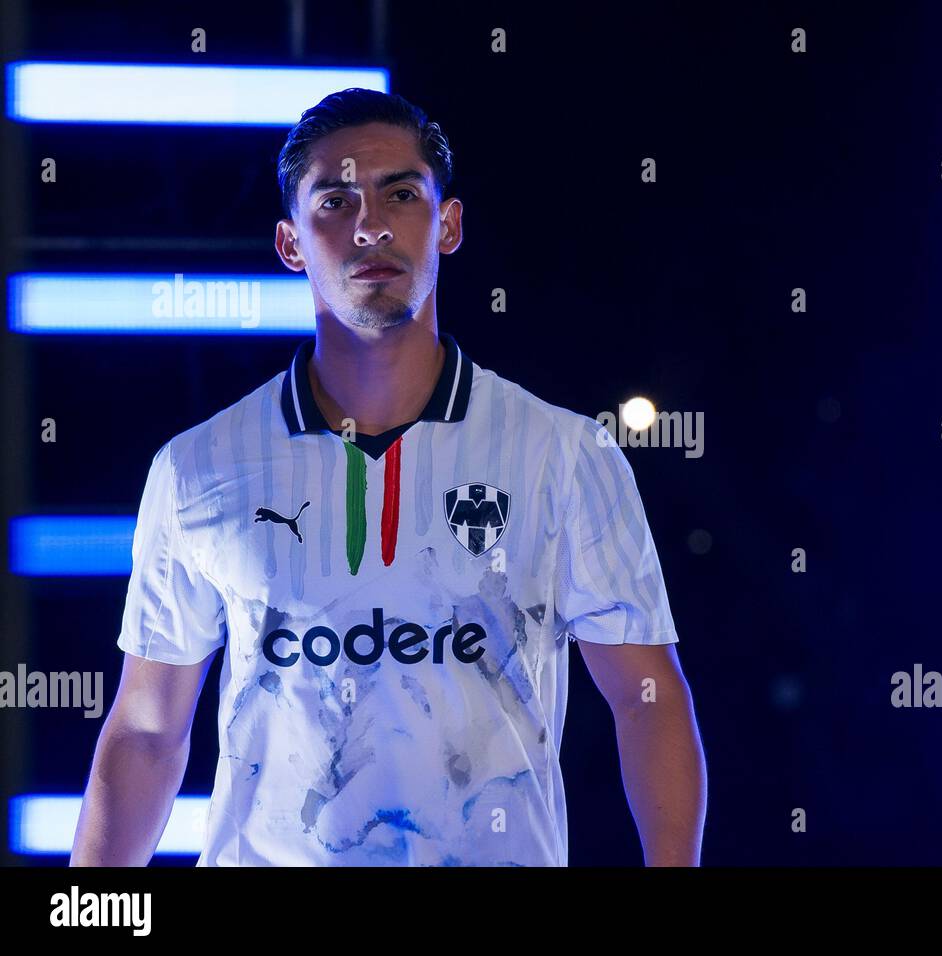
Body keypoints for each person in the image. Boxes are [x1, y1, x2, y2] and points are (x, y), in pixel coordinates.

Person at [70, 88, 706, 866]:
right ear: (291, 244)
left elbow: (647, 699)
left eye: (400, 194)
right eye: (336, 200)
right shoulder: (198, 468)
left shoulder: (563, 455)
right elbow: (146, 728)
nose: (370, 224)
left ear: (448, 224)